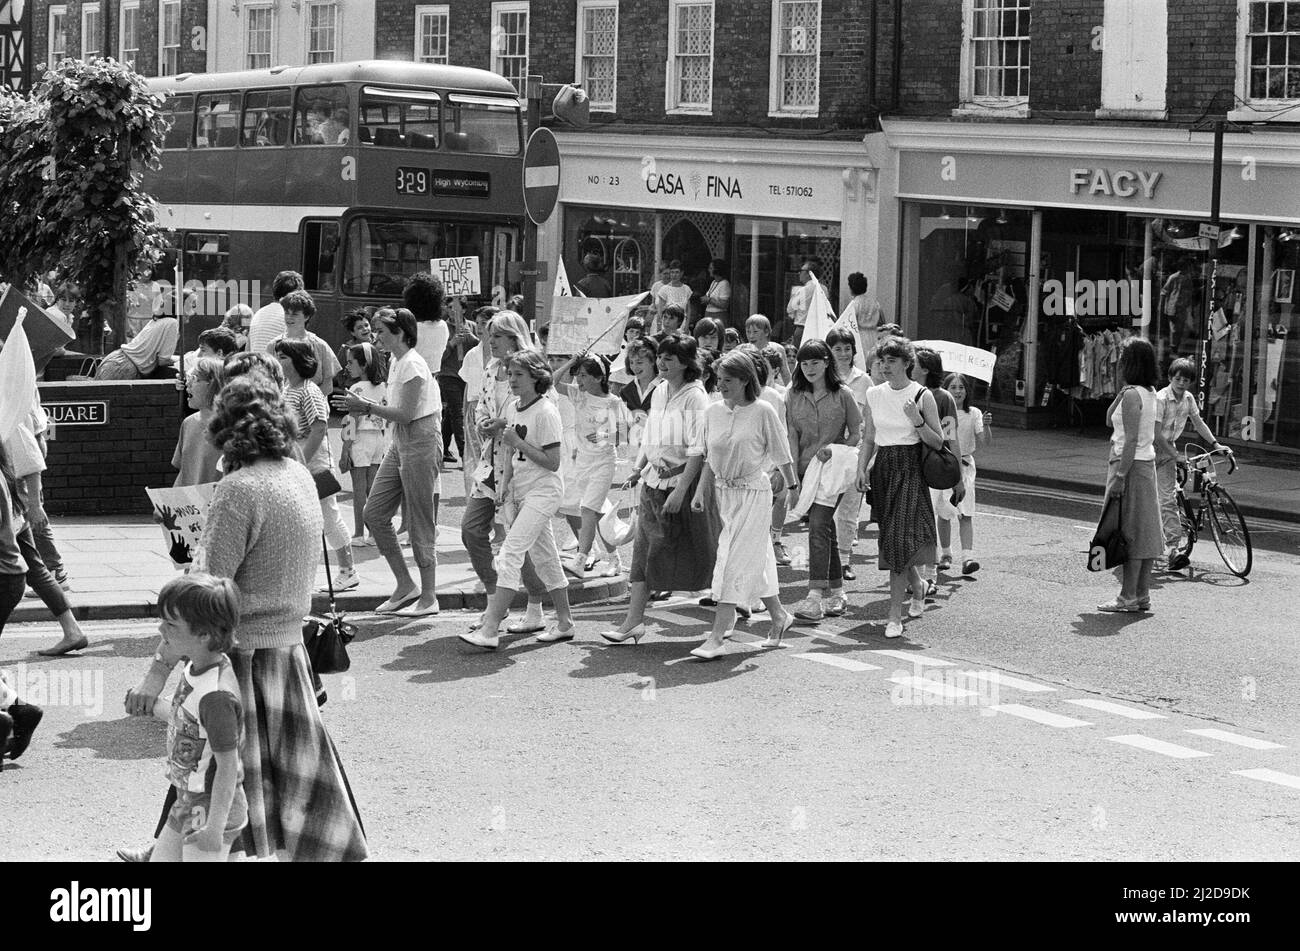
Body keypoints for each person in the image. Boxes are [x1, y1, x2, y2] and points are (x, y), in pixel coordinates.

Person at [125, 377, 368, 861]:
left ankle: (176, 854)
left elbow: (204, 598)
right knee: (286, 784)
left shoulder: (238, 489)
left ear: (225, 429)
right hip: (289, 653)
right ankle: (166, 851)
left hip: (241, 658)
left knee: (212, 773)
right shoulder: (297, 474)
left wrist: (156, 673)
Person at [601, 333, 718, 644]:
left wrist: (681, 491)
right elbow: (650, 434)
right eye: (661, 356)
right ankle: (632, 622)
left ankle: (739, 610)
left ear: (686, 362)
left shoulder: (696, 396)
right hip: (653, 482)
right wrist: (639, 469)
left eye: (669, 357)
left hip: (683, 485)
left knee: (706, 554)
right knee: (644, 554)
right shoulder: (661, 389)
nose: (662, 363)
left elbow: (698, 450)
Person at [459, 351, 577, 649]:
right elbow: (510, 452)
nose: (511, 380)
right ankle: (564, 623)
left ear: (537, 377)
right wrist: (505, 486)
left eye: (518, 375)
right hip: (520, 491)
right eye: (510, 374)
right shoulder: (513, 406)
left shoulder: (546, 412)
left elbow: (551, 462)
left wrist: (518, 442)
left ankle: (489, 629)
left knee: (510, 552)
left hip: (544, 491)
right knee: (546, 558)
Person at [689, 351, 797, 659]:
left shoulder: (763, 410)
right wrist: (700, 492)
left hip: (755, 493)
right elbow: (709, 458)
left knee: (731, 559)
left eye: (728, 380)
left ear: (745, 380)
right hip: (726, 496)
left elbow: (782, 452)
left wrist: (791, 486)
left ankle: (717, 635)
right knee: (756, 557)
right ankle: (779, 616)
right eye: (719, 379)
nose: (721, 385)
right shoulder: (712, 412)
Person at [135, 573, 247, 863]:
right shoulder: (196, 668)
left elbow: (228, 767)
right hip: (188, 799)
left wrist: (216, 827)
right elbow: (188, 721)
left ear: (204, 635)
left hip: (209, 808)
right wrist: (152, 707)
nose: (161, 629)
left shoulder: (216, 696)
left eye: (171, 624)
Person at [337, 309, 440, 617]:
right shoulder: (396, 362)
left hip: (419, 438)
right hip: (402, 440)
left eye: (381, 331)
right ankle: (405, 584)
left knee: (421, 519)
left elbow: (407, 413)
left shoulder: (412, 364)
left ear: (400, 333)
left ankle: (429, 597)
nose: (376, 335)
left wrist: (364, 406)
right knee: (375, 513)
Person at [460, 312, 553, 633]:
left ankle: (536, 604)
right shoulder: (489, 369)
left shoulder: (532, 371)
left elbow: (542, 418)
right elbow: (482, 408)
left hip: (522, 467)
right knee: (471, 530)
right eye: (489, 335)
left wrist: (508, 426)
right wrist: (483, 423)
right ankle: (493, 601)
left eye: (497, 336)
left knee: (519, 542)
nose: (491, 341)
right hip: (491, 463)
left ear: (514, 337)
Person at [857, 336, 945, 639]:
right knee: (891, 537)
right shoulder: (873, 393)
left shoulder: (922, 395)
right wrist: (861, 469)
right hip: (883, 468)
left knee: (897, 539)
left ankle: (894, 616)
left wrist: (916, 419)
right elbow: (869, 437)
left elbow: (938, 441)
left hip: (910, 467)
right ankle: (918, 585)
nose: (885, 366)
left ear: (908, 363)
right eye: (882, 361)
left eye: (891, 361)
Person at [785, 339, 862, 622]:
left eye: (815, 362)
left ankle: (814, 597)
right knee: (824, 528)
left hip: (832, 471)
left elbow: (856, 433)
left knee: (818, 525)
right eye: (804, 364)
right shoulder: (792, 395)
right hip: (805, 471)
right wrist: (792, 477)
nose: (809, 369)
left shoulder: (843, 394)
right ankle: (838, 594)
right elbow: (791, 436)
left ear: (827, 363)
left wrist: (836, 450)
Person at [275, 339, 359, 592]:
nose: (279, 362)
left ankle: (348, 571)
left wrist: (300, 461)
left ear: (300, 361)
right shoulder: (287, 388)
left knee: (328, 517)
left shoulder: (309, 391)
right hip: (295, 462)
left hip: (315, 464)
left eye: (284, 357)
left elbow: (320, 427)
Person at [0, 436, 87, 659]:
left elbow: (33, 460)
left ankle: (72, 630)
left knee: (30, 569)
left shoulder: (14, 420)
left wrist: (35, 505)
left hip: (14, 509)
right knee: (35, 569)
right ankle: (72, 630)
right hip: (13, 507)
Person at [1100, 337, 1163, 612]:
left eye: (1123, 358)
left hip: (1129, 466)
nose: (1119, 363)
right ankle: (1141, 595)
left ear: (1131, 363)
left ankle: (1126, 597)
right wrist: (1119, 393)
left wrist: (1120, 476)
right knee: (1146, 532)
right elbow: (1108, 419)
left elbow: (1130, 440)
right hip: (1145, 466)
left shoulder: (1132, 395)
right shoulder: (1149, 393)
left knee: (1129, 533)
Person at [554, 353, 621, 577]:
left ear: (598, 377)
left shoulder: (613, 402)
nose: (578, 379)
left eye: (583, 375)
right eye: (578, 375)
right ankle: (614, 559)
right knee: (598, 513)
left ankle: (581, 560)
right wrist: (572, 362)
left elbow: (622, 434)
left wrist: (604, 435)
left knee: (588, 510)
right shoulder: (577, 394)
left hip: (603, 463)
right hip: (581, 462)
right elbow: (552, 382)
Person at [1155, 357, 1224, 571]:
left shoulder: (1188, 398)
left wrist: (1216, 443)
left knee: (1169, 498)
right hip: (1151, 450)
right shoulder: (1161, 398)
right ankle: (1172, 549)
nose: (1182, 383)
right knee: (1164, 500)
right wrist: (1175, 455)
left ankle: (1171, 545)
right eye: (1178, 379)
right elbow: (1155, 434)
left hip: (1170, 449)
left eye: (1186, 380)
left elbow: (1199, 423)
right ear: (1170, 378)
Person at [912, 347, 963, 593]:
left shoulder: (943, 398)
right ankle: (917, 575)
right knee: (914, 522)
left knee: (927, 521)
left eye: (912, 361)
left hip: (932, 468)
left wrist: (958, 476)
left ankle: (930, 576)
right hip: (909, 465)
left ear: (925, 369)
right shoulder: (907, 391)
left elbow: (951, 438)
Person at [827, 327, 870, 580]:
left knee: (849, 510)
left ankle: (844, 561)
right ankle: (825, 559)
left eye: (847, 348)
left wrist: (867, 458)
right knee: (825, 510)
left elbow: (869, 421)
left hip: (854, 453)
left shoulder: (864, 380)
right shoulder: (822, 378)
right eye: (837, 348)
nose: (843, 353)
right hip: (828, 454)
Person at [938, 373, 991, 575]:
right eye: (953, 387)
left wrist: (986, 425)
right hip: (944, 465)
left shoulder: (974, 413)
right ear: (946, 390)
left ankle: (967, 558)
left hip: (966, 466)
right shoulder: (942, 412)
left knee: (966, 512)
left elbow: (985, 442)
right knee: (944, 513)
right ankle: (945, 554)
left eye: (961, 387)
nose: (958, 391)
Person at [339, 343, 388, 545]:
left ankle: (359, 533)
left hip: (360, 439)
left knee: (359, 490)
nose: (347, 366)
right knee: (372, 489)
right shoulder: (384, 387)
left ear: (364, 364)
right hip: (378, 439)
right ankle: (374, 533)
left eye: (351, 362)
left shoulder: (356, 388)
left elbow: (353, 420)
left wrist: (345, 449)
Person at [268, 290, 341, 399]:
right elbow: (268, 382)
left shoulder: (320, 346)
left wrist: (306, 401)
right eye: (287, 313)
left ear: (306, 316)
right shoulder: (273, 345)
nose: (289, 317)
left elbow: (328, 386)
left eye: (295, 314)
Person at [459, 306, 497, 497]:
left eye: (485, 323)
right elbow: (468, 388)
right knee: (474, 457)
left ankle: (492, 496)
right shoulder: (472, 354)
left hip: (495, 411)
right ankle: (476, 495)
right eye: (479, 323)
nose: (481, 328)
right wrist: (466, 416)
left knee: (492, 458)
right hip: (474, 411)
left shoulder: (502, 356)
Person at [172, 357, 225, 487]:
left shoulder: (232, 427)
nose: (187, 384)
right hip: (191, 505)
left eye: (193, 379)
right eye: (188, 378)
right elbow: (183, 472)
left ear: (213, 384)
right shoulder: (188, 423)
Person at [95, 304, 179, 379]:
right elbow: (163, 360)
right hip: (124, 368)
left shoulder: (158, 320)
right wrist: (184, 359)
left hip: (117, 360)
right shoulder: (172, 323)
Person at [439, 309, 477, 466]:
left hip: (466, 375)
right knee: (459, 414)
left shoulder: (473, 326)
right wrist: (452, 343)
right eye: (449, 308)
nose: (452, 311)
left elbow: (481, 348)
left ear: (463, 309)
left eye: (456, 308)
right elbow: (439, 356)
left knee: (450, 415)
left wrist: (471, 336)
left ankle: (442, 448)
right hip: (448, 375)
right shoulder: (443, 328)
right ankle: (465, 455)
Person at [248, 271, 303, 356]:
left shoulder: (258, 313)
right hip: (275, 368)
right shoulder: (290, 317)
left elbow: (248, 350)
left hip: (256, 366)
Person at [745, 314, 792, 385]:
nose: (751, 336)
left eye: (755, 332)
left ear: (766, 332)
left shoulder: (778, 349)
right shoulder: (743, 350)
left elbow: (786, 375)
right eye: (748, 332)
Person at [846, 272, 885, 354]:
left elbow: (849, 323)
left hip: (859, 337)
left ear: (851, 288)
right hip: (874, 335)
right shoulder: (874, 302)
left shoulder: (854, 304)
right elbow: (882, 321)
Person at [654, 261, 693, 333]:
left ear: (681, 273)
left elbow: (688, 311)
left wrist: (687, 326)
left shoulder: (687, 289)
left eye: (677, 272)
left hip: (682, 326)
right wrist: (659, 328)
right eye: (672, 272)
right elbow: (660, 311)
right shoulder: (664, 289)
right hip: (667, 325)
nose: (674, 275)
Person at [701, 258, 732, 328]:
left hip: (718, 316)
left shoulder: (724, 284)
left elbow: (724, 304)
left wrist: (709, 300)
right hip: (709, 314)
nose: (709, 270)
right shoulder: (713, 282)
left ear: (717, 270)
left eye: (711, 268)